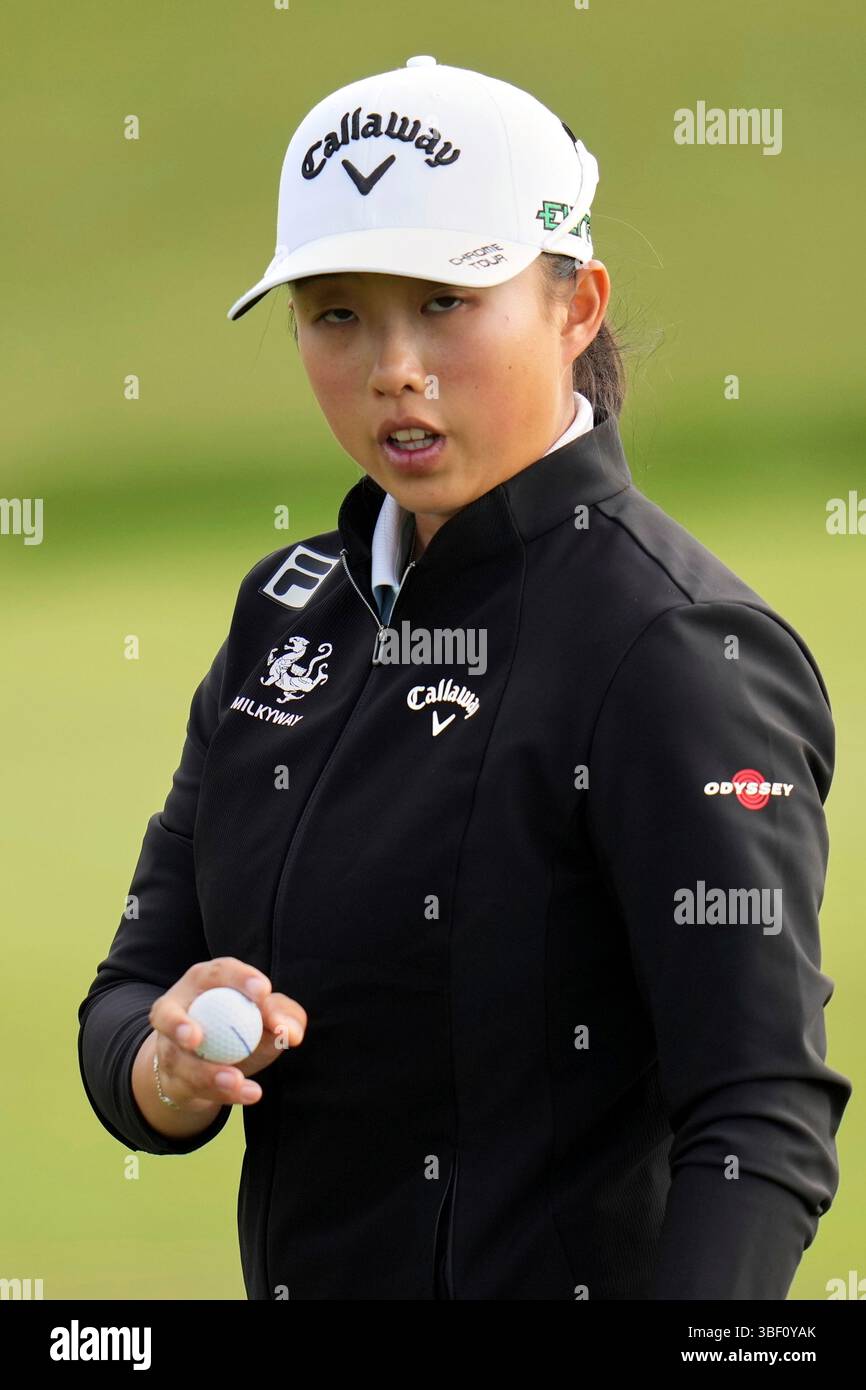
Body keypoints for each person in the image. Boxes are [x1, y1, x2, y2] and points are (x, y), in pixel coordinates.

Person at [77, 55, 852, 1300]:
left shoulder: (676, 649)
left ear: (575, 305)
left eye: (444, 301)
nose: (394, 366)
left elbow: (757, 1116)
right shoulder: (285, 612)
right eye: (336, 313)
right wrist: (164, 1070)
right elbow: (128, 991)